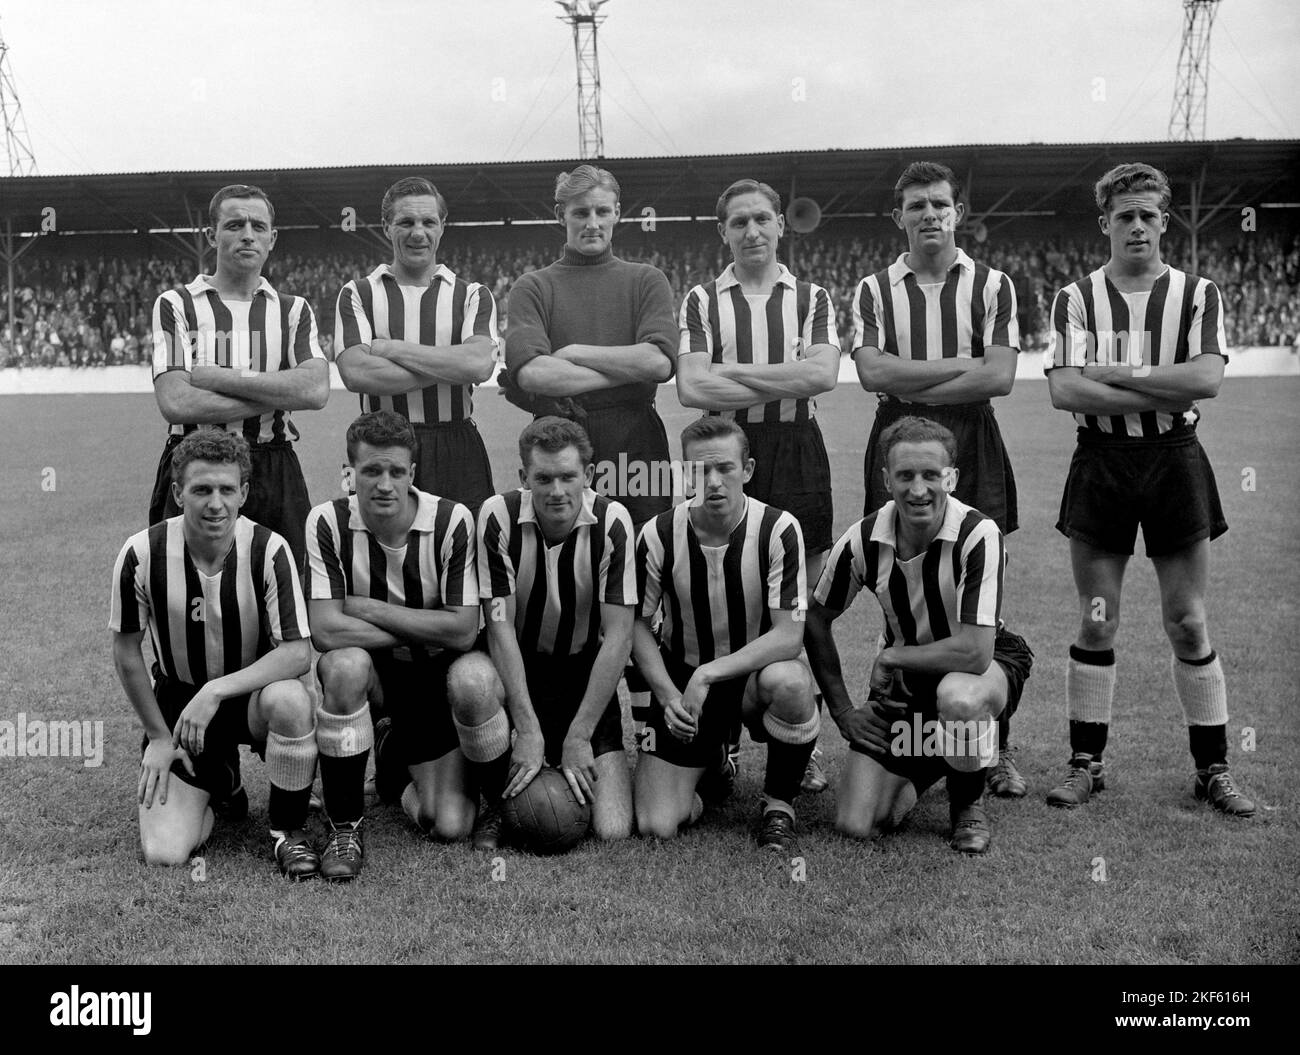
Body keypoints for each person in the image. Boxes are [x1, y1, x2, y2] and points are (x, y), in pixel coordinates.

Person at [1043, 162, 1254, 817]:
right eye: (1124, 216)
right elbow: (1064, 388)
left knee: (1188, 622)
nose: (1137, 226)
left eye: (1148, 215)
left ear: (1165, 221)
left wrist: (1119, 370)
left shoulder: (1198, 294)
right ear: (1105, 223)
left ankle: (1212, 769)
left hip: (1173, 459)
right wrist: (1161, 377)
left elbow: (1207, 380)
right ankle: (1086, 764)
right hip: (1102, 459)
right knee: (1096, 618)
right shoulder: (1076, 297)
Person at [851, 161, 1027, 798]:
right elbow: (873, 374)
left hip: (973, 438)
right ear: (899, 216)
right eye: (917, 205)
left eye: (941, 204)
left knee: (980, 586)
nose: (930, 214)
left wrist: (913, 371)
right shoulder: (874, 289)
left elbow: (999, 378)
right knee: (897, 576)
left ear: (957, 212)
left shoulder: (992, 283)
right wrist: (960, 362)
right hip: (899, 436)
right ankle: (901, 722)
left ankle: (992, 742)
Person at [677, 178, 842, 796]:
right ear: (723, 231)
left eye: (762, 220)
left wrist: (734, 372)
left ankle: (800, 737)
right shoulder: (700, 299)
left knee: (794, 606)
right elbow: (693, 389)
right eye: (738, 222)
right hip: (727, 452)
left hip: (799, 451)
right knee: (723, 595)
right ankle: (718, 742)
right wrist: (784, 376)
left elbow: (822, 375)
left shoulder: (814, 296)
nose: (751, 231)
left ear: (780, 225)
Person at [805, 417, 1033, 854]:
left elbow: (974, 651)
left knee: (960, 698)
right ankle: (940, 759)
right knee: (858, 823)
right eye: (905, 476)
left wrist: (892, 658)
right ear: (886, 478)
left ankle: (968, 803)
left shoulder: (978, 533)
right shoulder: (864, 539)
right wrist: (842, 710)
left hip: (984, 666)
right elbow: (816, 618)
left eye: (931, 475)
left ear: (952, 477)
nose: (918, 489)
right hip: (913, 681)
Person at [110, 429, 319, 877]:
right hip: (178, 707)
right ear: (177, 492)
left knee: (292, 699)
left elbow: (298, 653)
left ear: (244, 492)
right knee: (165, 852)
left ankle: (287, 832)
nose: (215, 503)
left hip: (250, 697)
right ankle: (220, 781)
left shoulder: (269, 548)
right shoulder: (141, 553)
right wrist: (159, 737)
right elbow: (127, 651)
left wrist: (215, 691)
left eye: (227, 489)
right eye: (201, 490)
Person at [446, 416, 637, 849]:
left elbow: (619, 639)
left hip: (581, 676)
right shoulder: (497, 516)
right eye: (543, 478)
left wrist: (580, 734)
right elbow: (499, 629)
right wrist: (528, 731)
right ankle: (496, 803)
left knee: (612, 829)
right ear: (523, 478)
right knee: (470, 681)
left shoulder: (614, 522)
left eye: (568, 477)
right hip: (518, 667)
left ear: (588, 476)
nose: (556, 491)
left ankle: (706, 780)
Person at [304, 411, 480, 879]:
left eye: (396, 472)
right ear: (350, 473)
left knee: (450, 824)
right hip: (377, 674)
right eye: (371, 471)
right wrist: (427, 623)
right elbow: (324, 631)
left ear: (412, 474)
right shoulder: (326, 521)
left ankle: (390, 754)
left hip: (434, 678)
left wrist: (366, 608)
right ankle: (344, 825)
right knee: (343, 666)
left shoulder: (451, 520)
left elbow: (463, 632)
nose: (384, 484)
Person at [633, 416, 818, 853]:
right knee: (656, 825)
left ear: (748, 469)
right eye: (699, 471)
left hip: (753, 679)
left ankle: (778, 806)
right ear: (684, 474)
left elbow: (789, 636)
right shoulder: (658, 533)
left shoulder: (778, 528)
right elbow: (637, 625)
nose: (713, 482)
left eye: (725, 469)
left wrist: (708, 674)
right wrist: (666, 694)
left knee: (791, 681)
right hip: (684, 682)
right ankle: (713, 761)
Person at [149, 184, 328, 563]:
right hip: (195, 464)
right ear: (211, 235)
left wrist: (219, 377)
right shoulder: (177, 303)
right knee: (184, 587)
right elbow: (177, 402)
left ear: (272, 238)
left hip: (273, 466)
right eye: (234, 225)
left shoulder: (293, 309)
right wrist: (277, 392)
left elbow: (313, 391)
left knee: (285, 590)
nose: (248, 235)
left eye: (258, 227)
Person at [502, 164, 678, 529]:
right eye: (581, 212)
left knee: (646, 543)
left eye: (602, 211)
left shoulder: (647, 280)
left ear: (617, 212)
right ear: (560, 214)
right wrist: (627, 375)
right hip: (559, 439)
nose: (592, 223)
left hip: (638, 439)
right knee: (566, 549)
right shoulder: (532, 286)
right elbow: (534, 374)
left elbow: (659, 364)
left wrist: (572, 353)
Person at [334, 177, 500, 516]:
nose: (418, 233)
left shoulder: (472, 294)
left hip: (456, 443)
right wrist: (450, 367)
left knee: (463, 551)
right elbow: (356, 373)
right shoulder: (359, 292)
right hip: (380, 447)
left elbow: (479, 366)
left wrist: (391, 349)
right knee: (380, 556)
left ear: (442, 227)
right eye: (406, 222)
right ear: (386, 226)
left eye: (428, 222)